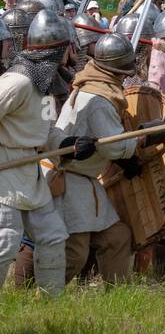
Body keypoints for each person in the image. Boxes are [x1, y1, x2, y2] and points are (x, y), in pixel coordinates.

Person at [50, 33, 155, 285]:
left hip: (85, 181)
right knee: (75, 252)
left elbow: (104, 139)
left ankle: (117, 291)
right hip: (71, 182)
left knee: (116, 237)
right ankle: (46, 294)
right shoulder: (98, 99)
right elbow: (113, 146)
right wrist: (145, 138)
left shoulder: (89, 85)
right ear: (118, 70)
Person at [0, 10, 71, 296]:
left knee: (53, 235)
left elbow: (45, 131)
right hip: (6, 168)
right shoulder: (17, 83)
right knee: (6, 239)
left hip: (29, 171)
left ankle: (52, 302)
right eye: (68, 47)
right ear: (57, 49)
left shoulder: (45, 84)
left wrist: (70, 144)